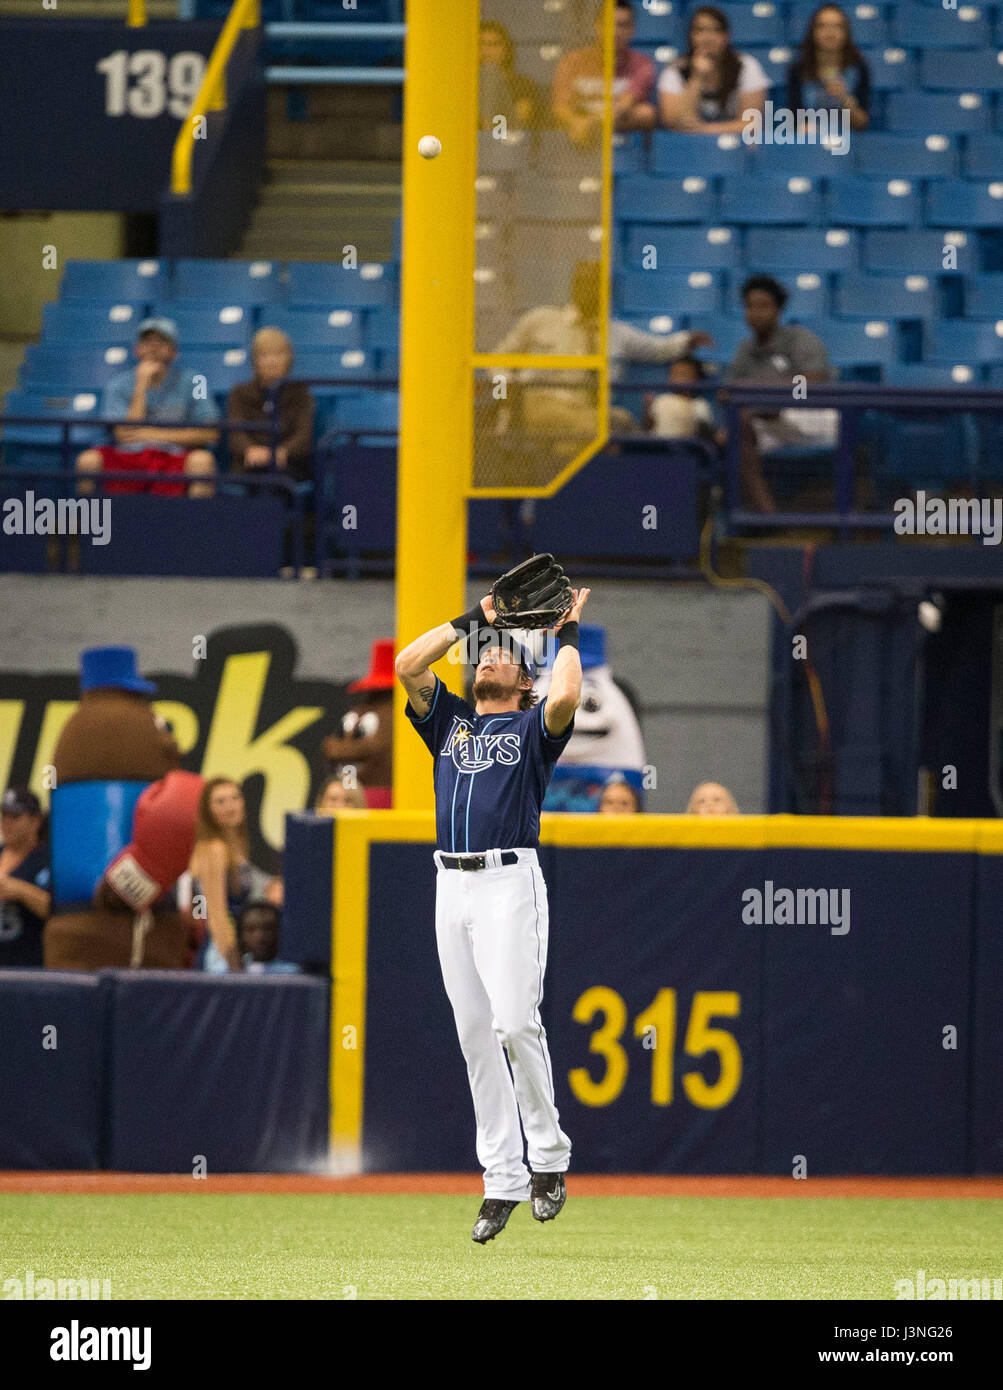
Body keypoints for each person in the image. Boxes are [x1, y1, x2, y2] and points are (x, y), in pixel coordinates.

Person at [394, 580, 590, 1243]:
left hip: (509, 881)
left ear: (522, 676)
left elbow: (565, 695)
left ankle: (550, 1158)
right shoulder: (448, 720)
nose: (485, 657)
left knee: (512, 1023)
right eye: (482, 651)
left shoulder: (535, 726)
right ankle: (500, 1179)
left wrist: (564, 636)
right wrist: (473, 618)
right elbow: (407, 665)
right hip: (451, 885)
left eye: (500, 652)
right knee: (476, 1037)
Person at [493, 261, 713, 444]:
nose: (587, 288)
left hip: (589, 412)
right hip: (540, 403)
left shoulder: (617, 333)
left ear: (606, 290)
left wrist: (687, 340)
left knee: (623, 422)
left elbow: (658, 348)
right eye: (582, 282)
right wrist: (506, 394)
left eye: (594, 283)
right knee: (595, 430)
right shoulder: (541, 320)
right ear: (573, 286)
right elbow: (497, 360)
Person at [724, 274, 838, 513]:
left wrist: (764, 390)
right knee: (735, 432)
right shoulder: (745, 350)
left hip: (810, 419)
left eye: (764, 306)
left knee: (742, 425)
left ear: (778, 310)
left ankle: (763, 516)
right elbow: (726, 393)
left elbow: (815, 381)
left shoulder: (800, 338)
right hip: (768, 423)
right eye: (750, 306)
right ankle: (765, 514)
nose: (756, 313)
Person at [76, 318, 219, 497]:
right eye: (147, 342)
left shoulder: (198, 382)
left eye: (162, 342)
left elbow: (210, 433)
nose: (153, 347)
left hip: (175, 457)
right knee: (87, 461)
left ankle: (196, 525)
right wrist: (141, 384)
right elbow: (124, 435)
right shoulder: (117, 384)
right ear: (137, 349)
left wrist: (152, 434)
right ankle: (88, 522)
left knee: (203, 462)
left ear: (174, 352)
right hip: (129, 458)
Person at [188, 777, 283, 974]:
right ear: (208, 810)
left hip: (240, 951)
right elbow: (216, 916)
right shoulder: (213, 849)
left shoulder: (237, 847)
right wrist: (234, 967)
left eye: (235, 798)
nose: (229, 806)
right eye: (220, 801)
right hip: (221, 955)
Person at [552, 0, 657, 146]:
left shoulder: (642, 64)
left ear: (632, 30)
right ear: (597, 26)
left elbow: (625, 105)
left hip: (615, 121)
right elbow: (560, 107)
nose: (615, 32)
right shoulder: (572, 62)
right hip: (580, 133)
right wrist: (575, 121)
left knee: (646, 113)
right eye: (608, 24)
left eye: (622, 25)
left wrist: (592, 123)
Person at [658, 6, 768, 135]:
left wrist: (704, 129)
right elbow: (675, 123)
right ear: (691, 36)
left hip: (737, 148)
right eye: (701, 30)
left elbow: (752, 124)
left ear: (726, 36)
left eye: (716, 30)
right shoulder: (675, 70)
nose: (708, 37)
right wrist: (697, 77)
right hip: (690, 148)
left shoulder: (746, 66)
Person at [226, 327, 315, 482]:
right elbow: (235, 434)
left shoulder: (301, 393)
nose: (272, 361)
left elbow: (303, 437)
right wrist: (250, 450)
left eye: (279, 354)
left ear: (290, 358)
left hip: (289, 466)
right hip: (247, 466)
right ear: (254, 360)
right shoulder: (239, 393)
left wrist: (282, 452)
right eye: (264, 355)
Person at [787, 5, 870, 132]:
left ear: (846, 32)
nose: (830, 32)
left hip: (848, 143)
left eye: (837, 26)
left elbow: (862, 123)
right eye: (822, 26)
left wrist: (845, 99)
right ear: (813, 31)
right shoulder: (797, 69)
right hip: (809, 143)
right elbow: (793, 120)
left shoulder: (859, 68)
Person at [0, 787, 50, 967]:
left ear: (35, 821)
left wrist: (20, 890)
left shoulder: (46, 860)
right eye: (4, 815)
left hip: (28, 970)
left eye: (15, 817)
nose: (7, 822)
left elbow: (56, 911)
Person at [479, 21, 540, 132]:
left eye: (493, 44)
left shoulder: (522, 83)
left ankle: (487, 135)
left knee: (489, 71)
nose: (486, 50)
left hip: (505, 132)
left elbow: (522, 117)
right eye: (481, 44)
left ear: (506, 49)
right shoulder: (465, 84)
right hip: (470, 133)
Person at [644, 356, 717, 441]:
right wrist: (648, 408)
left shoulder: (699, 404)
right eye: (674, 374)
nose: (677, 379)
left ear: (696, 379)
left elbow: (705, 432)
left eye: (683, 374)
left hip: (684, 448)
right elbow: (648, 428)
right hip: (658, 447)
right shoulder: (661, 400)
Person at [237, 900, 299, 975]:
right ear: (240, 934)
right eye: (250, 930)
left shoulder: (292, 972)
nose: (260, 936)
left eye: (267, 929)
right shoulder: (233, 968)